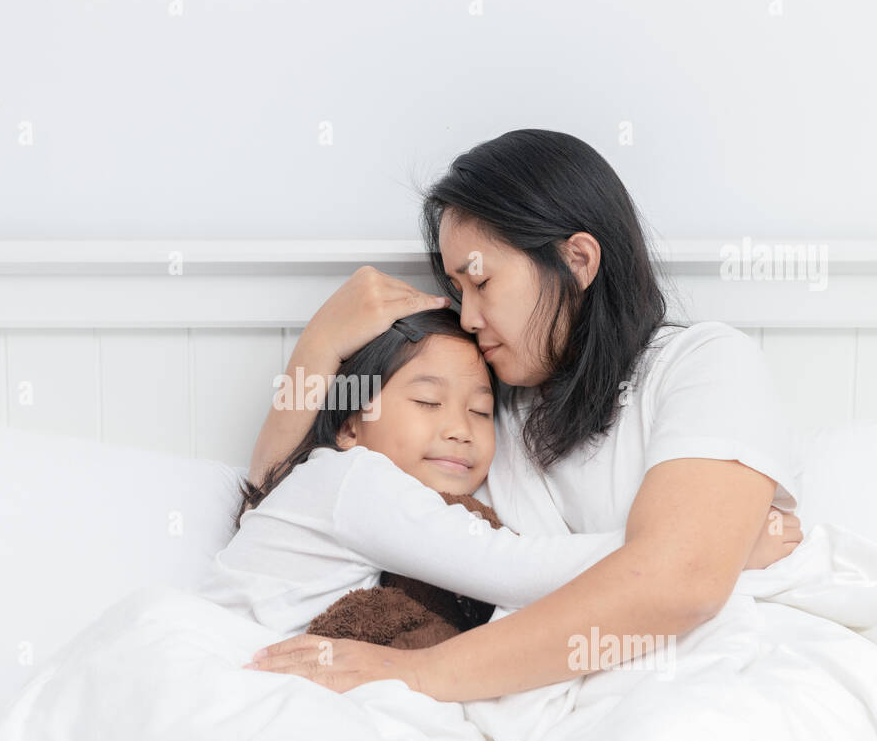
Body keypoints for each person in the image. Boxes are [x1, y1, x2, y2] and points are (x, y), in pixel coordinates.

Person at [244, 128, 805, 700]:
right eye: (457, 290)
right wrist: (317, 350)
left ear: (577, 259)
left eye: (482, 282)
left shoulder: (704, 364)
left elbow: (682, 581)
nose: (467, 317)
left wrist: (421, 672)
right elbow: (280, 497)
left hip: (708, 672)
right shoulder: (489, 410)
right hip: (550, 696)